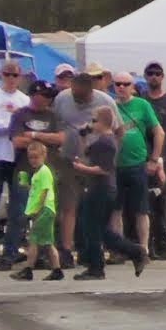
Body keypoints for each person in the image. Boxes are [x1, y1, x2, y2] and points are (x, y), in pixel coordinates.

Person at [51, 66, 118, 269]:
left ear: (91, 90)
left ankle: (100, 252)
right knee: (69, 206)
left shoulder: (105, 102)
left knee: (94, 212)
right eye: (75, 95)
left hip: (96, 161)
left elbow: (120, 130)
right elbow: (56, 125)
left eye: (82, 97)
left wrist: (113, 157)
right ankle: (67, 251)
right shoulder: (62, 98)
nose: (77, 101)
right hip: (69, 160)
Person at [71, 108, 147, 280]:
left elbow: (103, 169)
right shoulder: (101, 141)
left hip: (102, 189)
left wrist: (81, 168)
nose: (91, 124)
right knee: (99, 230)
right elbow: (86, 154)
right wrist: (83, 136)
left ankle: (97, 267)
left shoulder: (106, 142)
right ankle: (134, 252)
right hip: (99, 188)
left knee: (93, 229)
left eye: (94, 120)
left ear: (102, 122)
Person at [5, 81, 66, 271]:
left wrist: (33, 135)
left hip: (46, 172)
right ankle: (10, 254)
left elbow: (61, 138)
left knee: (46, 213)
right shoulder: (20, 115)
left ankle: (42, 256)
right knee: (20, 211)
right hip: (24, 171)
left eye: (50, 96)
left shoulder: (54, 115)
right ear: (35, 95)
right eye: (45, 95)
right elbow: (17, 141)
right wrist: (44, 137)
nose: (49, 99)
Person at [112, 71, 165, 256]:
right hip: (115, 165)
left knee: (141, 209)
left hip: (137, 163)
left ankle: (143, 248)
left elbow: (159, 132)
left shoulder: (142, 105)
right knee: (115, 209)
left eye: (125, 84)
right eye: (117, 83)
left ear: (132, 87)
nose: (121, 87)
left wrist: (154, 160)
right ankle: (118, 250)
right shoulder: (110, 107)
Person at [140, 61, 166, 260]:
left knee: (162, 202)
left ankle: (163, 245)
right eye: (150, 73)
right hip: (142, 158)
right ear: (145, 76)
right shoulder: (141, 101)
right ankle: (145, 246)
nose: (154, 76)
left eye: (157, 73)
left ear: (163, 77)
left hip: (164, 159)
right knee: (143, 203)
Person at [7, 141, 64, 280]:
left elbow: (44, 192)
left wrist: (36, 210)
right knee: (47, 242)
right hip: (44, 210)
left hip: (44, 210)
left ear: (44, 156)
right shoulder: (37, 173)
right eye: (30, 157)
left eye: (36, 157)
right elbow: (35, 191)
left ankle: (28, 270)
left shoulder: (44, 172)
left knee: (34, 240)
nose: (33, 160)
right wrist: (26, 184)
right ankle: (57, 270)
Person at [0, 60, 30, 267]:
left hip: (20, 160)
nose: (10, 78)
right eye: (7, 74)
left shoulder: (24, 100)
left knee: (19, 208)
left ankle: (10, 254)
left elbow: (28, 128)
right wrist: (12, 128)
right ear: (1, 75)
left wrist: (11, 129)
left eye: (14, 75)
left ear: (20, 77)